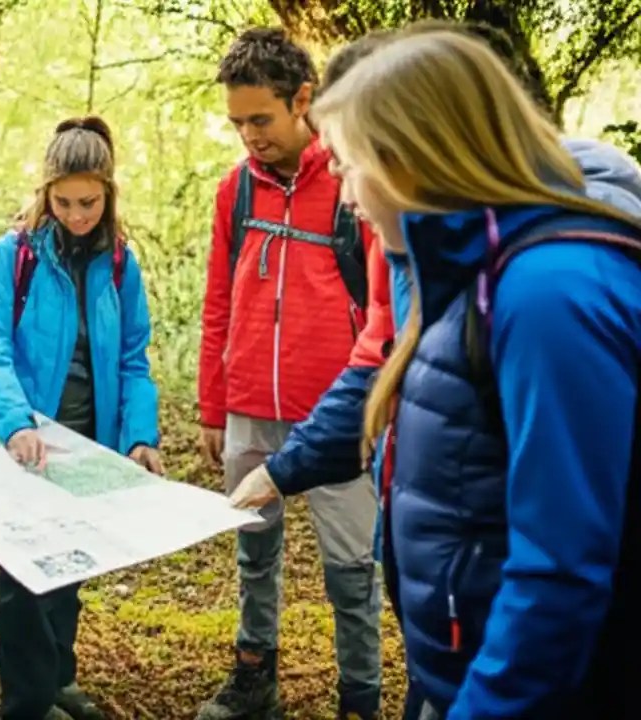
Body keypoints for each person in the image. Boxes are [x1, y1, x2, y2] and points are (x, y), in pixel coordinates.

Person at [227, 20, 641, 720]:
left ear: (411, 155)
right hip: (456, 665)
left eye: (353, 165)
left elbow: (562, 568)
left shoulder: (549, 294)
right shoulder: (452, 268)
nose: (350, 196)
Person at [195, 27, 381, 720]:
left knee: (352, 571)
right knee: (253, 553)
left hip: (337, 416)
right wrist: (213, 406)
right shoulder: (233, 192)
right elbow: (219, 301)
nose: (248, 135)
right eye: (237, 122)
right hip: (248, 408)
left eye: (261, 119)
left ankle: (359, 697)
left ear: (303, 100)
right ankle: (253, 677)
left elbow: (383, 311)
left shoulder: (349, 185)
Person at [0, 117, 163, 720]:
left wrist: (139, 438)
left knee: (71, 562)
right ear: (46, 193)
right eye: (65, 201)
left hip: (88, 442)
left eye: (90, 202)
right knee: (24, 574)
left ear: (109, 193)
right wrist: (16, 421)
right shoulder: (14, 255)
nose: (77, 214)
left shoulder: (121, 264)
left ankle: (59, 678)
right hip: (21, 437)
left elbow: (133, 357)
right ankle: (26, 701)